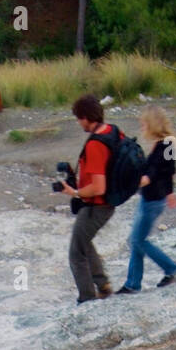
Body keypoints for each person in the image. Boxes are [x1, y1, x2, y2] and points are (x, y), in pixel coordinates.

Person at [116, 104, 176, 294]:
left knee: (138, 240)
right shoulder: (167, 142)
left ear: (152, 124)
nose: (142, 128)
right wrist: (170, 191)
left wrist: (129, 184)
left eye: (144, 124)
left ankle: (170, 268)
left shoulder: (166, 144)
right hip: (153, 198)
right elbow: (168, 170)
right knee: (137, 240)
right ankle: (132, 283)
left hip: (153, 199)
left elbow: (158, 172)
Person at [61, 95, 116, 304]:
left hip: (97, 205)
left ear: (86, 117)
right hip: (108, 202)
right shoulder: (111, 130)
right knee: (84, 240)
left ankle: (87, 299)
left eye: (78, 118)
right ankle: (103, 283)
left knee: (76, 253)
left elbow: (98, 187)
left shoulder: (95, 144)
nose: (78, 123)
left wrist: (74, 193)